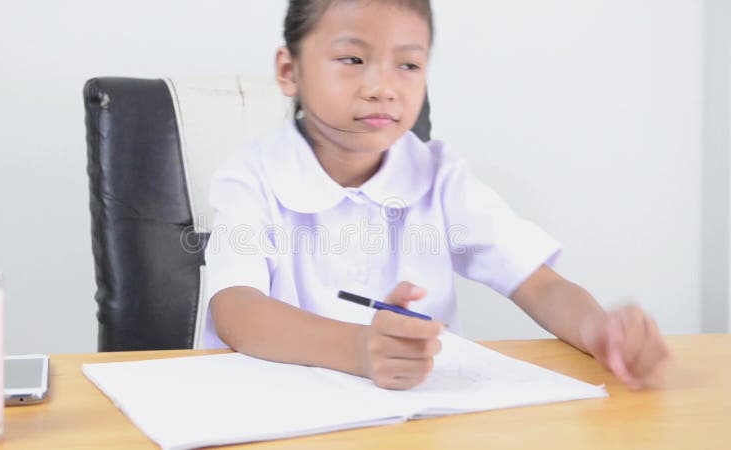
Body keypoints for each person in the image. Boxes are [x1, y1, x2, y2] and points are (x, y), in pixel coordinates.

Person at [202, 0, 671, 391]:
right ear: (290, 71)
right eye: (353, 59)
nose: (382, 88)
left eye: (407, 64)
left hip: (415, 420)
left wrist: (598, 330)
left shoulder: (440, 175)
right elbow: (236, 310)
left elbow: (540, 285)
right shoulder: (253, 176)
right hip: (278, 410)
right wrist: (360, 349)